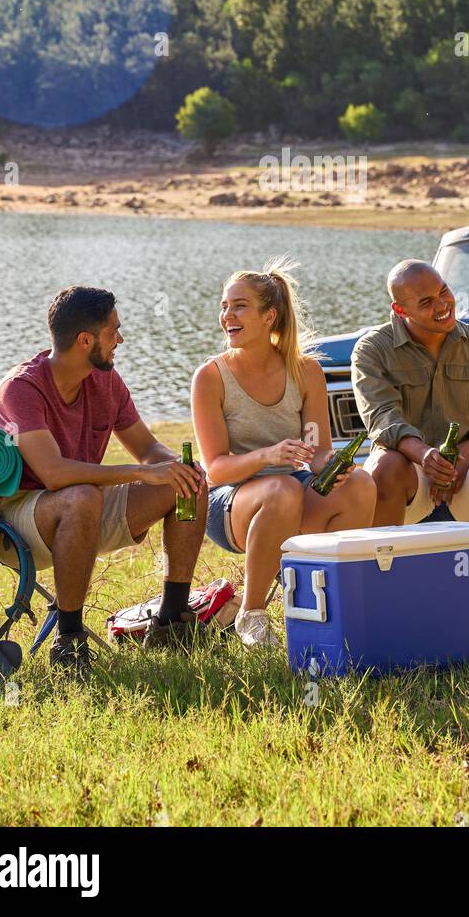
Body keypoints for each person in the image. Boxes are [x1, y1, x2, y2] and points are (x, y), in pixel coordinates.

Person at [0, 286, 207, 674]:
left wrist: (179, 466)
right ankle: (69, 642)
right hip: (17, 523)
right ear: (85, 340)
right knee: (81, 496)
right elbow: (54, 474)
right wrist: (142, 472)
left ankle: (171, 622)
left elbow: (148, 449)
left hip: (82, 509)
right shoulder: (21, 389)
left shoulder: (105, 381)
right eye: (113, 332)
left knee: (189, 482)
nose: (119, 339)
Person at [192, 259, 377, 649]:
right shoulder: (211, 377)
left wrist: (333, 467)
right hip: (232, 502)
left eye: (239, 306)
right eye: (225, 306)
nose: (227, 315)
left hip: (292, 490)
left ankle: (329, 601)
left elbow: (317, 450)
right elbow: (217, 470)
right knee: (281, 490)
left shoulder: (306, 372)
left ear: (268, 316)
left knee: (360, 485)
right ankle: (251, 615)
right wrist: (268, 455)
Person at [352, 260, 469, 532]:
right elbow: (382, 418)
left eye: (444, 291)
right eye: (426, 302)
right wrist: (425, 456)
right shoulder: (372, 349)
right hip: (408, 471)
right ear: (400, 310)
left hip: (467, 469)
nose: (442, 305)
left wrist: (462, 457)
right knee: (384, 465)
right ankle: (382, 570)